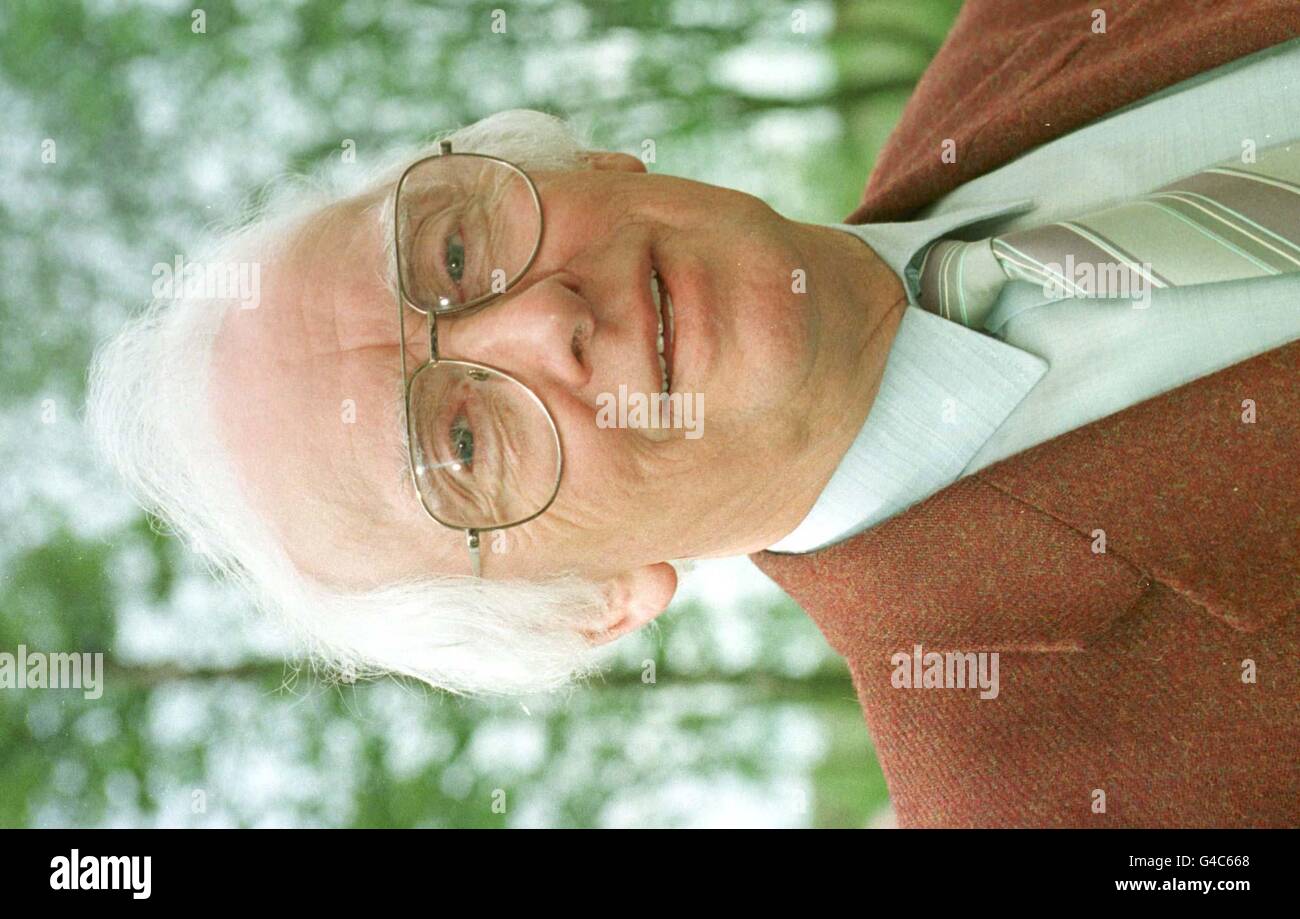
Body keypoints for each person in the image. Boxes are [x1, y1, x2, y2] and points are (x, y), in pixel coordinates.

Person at [89, 1, 1300, 825]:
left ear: (587, 163)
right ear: (591, 605)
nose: (537, 321)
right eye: (457, 443)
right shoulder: (1073, 802)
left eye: (453, 251)